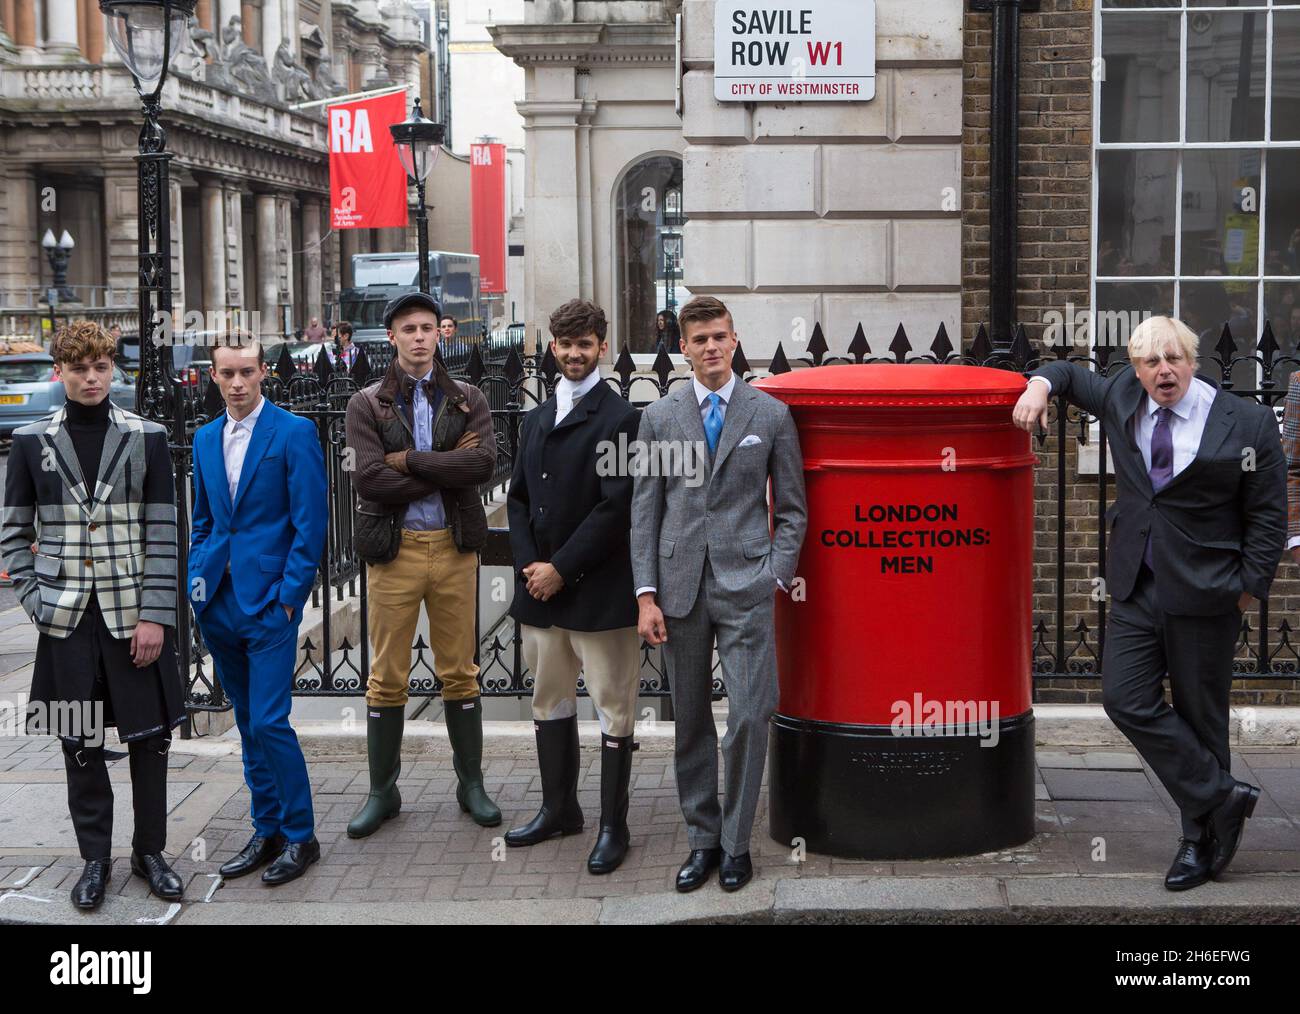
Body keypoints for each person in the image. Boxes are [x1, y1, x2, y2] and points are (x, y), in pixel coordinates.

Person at [1014, 316, 1285, 891]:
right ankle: (1221, 797)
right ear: (1135, 369)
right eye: (1150, 362)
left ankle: (1199, 839)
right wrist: (1038, 384)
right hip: (1137, 581)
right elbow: (1064, 372)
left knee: (1201, 717)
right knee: (1124, 697)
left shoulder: (1249, 423)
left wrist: (1246, 588)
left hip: (1208, 589)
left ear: (1193, 358)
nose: (1164, 371)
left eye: (1174, 359)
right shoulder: (1121, 396)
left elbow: (1268, 515)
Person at [1, 320, 185, 911]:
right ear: (61, 373)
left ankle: (150, 851)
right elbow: (12, 535)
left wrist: (156, 616)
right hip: (66, 621)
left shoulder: (146, 436)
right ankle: (94, 860)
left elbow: (163, 533)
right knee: (78, 742)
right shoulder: (31, 442)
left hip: (135, 615)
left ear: (113, 370)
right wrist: (36, 600)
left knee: (149, 739)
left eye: (100, 368)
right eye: (79, 369)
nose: (91, 378)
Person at [631, 295, 807, 893]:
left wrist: (775, 573)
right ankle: (701, 841)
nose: (710, 347)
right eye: (699, 339)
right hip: (678, 592)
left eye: (720, 337)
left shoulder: (770, 415)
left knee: (752, 715)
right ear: (683, 348)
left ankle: (736, 845)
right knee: (690, 725)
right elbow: (644, 513)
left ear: (735, 341)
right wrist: (646, 596)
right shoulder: (659, 418)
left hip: (747, 585)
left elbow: (793, 511)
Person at [344, 292, 501, 836]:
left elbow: (483, 464)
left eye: (427, 328)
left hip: (454, 547)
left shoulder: (467, 398)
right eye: (407, 328)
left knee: (460, 671)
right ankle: (382, 793)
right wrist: (446, 468)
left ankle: (471, 785)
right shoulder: (367, 403)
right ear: (392, 337)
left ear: (441, 334)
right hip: (395, 551)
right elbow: (368, 477)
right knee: (387, 678)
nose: (418, 337)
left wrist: (409, 460)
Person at [503, 299, 642, 874]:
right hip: (541, 592)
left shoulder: (622, 420)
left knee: (614, 709)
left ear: (602, 347)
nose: (575, 353)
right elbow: (515, 500)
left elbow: (618, 507)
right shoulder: (535, 418)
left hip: (600, 593)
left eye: (586, 343)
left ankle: (614, 827)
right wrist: (532, 565)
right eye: (565, 344)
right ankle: (559, 809)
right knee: (549, 700)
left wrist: (561, 567)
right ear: (553, 348)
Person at [189, 333, 328, 886]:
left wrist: (289, 599)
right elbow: (204, 518)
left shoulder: (295, 433)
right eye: (228, 373)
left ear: (264, 372)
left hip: (270, 604)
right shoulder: (204, 438)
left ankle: (302, 836)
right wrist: (198, 578)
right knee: (246, 722)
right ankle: (266, 828)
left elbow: (310, 524)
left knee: (271, 721)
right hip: (218, 604)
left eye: (247, 371)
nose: (238, 383)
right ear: (214, 377)